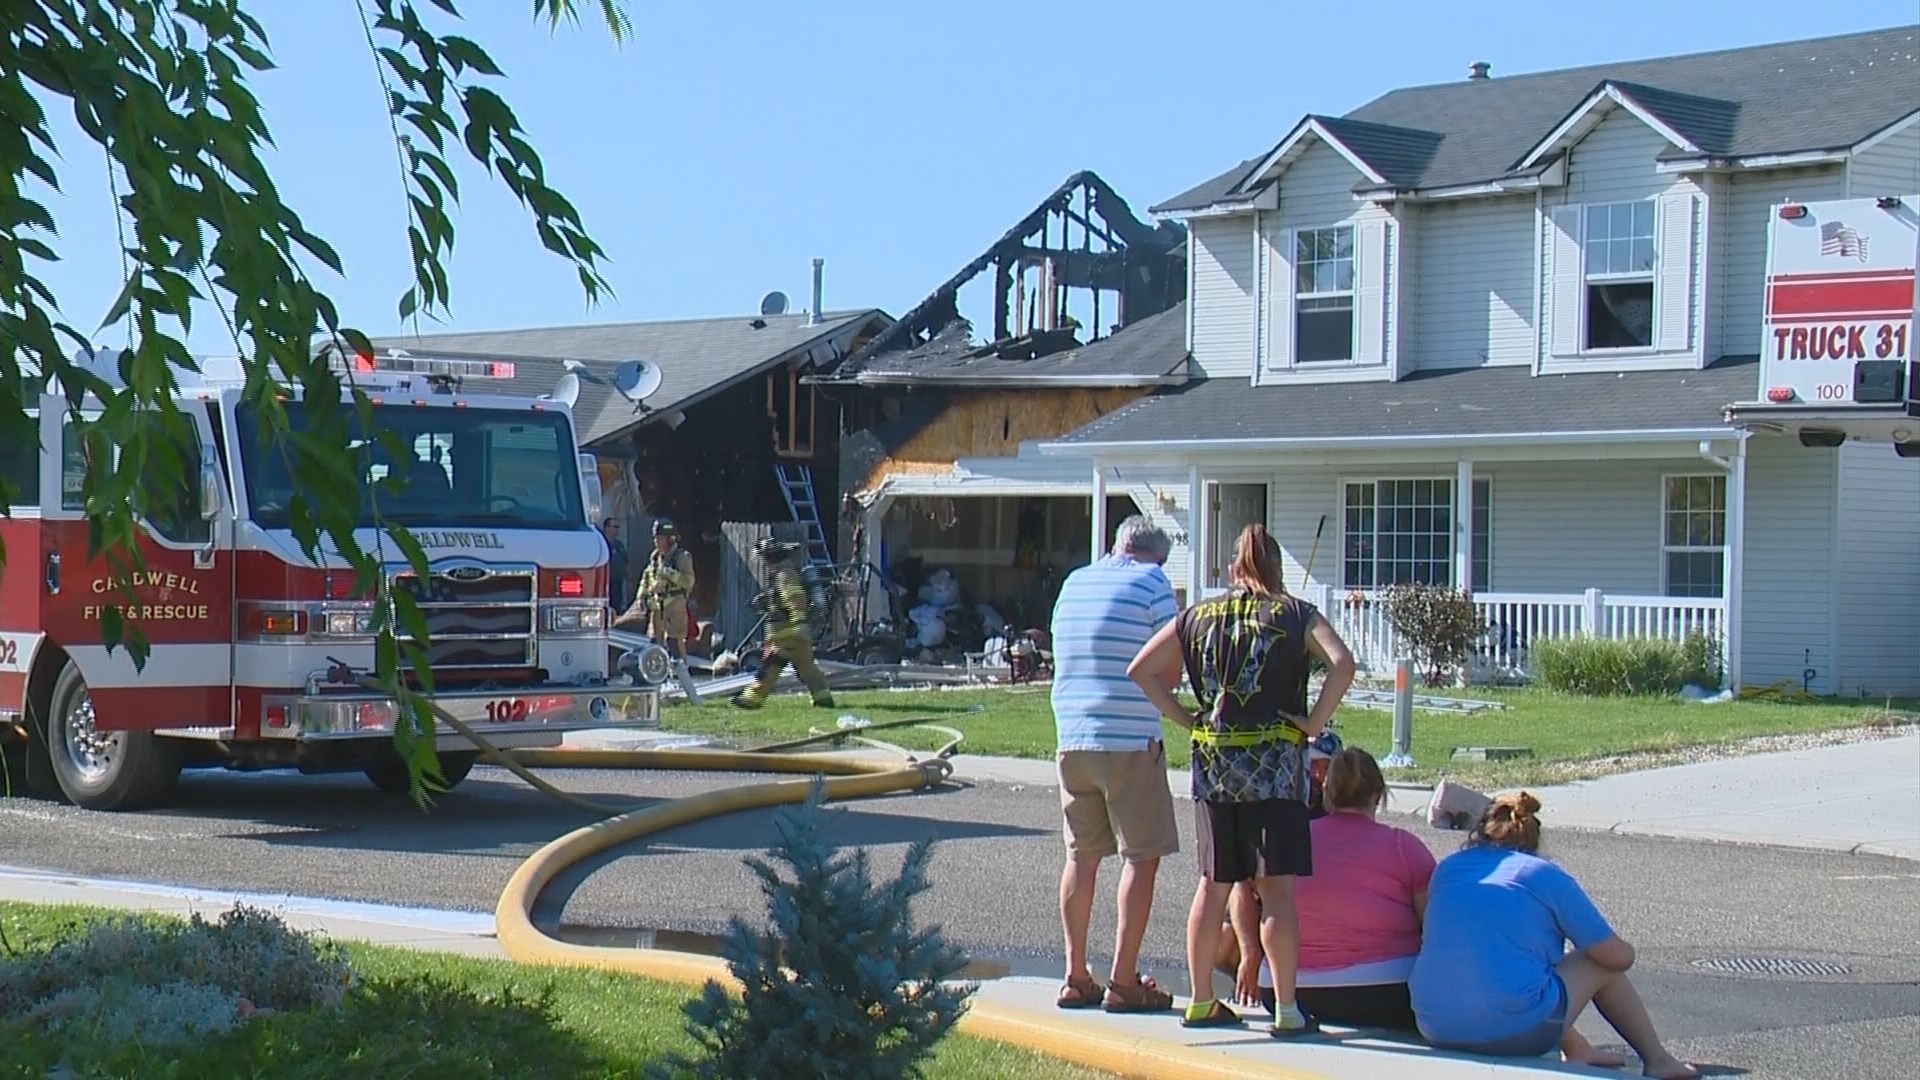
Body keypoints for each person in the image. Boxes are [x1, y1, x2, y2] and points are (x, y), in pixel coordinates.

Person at [1127, 523, 1357, 1037]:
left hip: (1215, 768)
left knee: (1212, 885)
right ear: (1275, 568)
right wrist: (1315, 724)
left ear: (1233, 568)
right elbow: (1342, 663)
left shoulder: (1198, 616)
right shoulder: (1295, 613)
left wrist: (1185, 717)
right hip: (1275, 769)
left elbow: (1140, 669)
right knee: (1277, 894)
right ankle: (1287, 1009)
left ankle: (1202, 1000)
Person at [1410, 792, 1699, 1079]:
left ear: (1479, 832)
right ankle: (1658, 1059)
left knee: (1514, 974)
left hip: (1435, 1026)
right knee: (1594, 965)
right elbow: (1616, 957)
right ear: (1533, 836)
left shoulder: (1448, 868)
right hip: (1513, 1033)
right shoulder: (1543, 874)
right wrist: (1629, 949)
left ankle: (1578, 1049)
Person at [1048, 516, 1180, 1014]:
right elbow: (1170, 666)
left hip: (1072, 735)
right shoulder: (1153, 584)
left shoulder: (1075, 581)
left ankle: (1075, 974)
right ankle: (1124, 980)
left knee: (1081, 856)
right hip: (1128, 737)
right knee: (1140, 856)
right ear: (1156, 556)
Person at [1216, 747, 1433, 1032]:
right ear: (1377, 796)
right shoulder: (1404, 846)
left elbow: (1245, 889)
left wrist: (1250, 954)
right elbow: (1432, 926)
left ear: (1327, 793)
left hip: (1287, 992)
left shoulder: (1291, 843)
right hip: (1383, 991)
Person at [732, 536, 834, 709]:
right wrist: (768, 602)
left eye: (764, 558)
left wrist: (798, 623)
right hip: (794, 633)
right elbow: (785, 599)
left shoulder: (784, 575)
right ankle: (823, 699)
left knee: (770, 666)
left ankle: (752, 699)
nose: (763, 563)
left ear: (771, 557)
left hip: (786, 633)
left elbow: (796, 598)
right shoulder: (784, 573)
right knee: (807, 669)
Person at [616, 519, 702, 704]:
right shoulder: (655, 557)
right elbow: (646, 577)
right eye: (655, 537)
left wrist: (669, 573)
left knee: (674, 643)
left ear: (670, 538)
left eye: (660, 537)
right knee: (655, 644)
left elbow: (688, 581)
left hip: (675, 606)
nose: (656, 541)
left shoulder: (681, 557)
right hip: (656, 607)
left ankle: (681, 681)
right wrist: (642, 597)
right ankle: (657, 678)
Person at [601, 518, 631, 614]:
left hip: (618, 580)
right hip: (606, 581)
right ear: (607, 528)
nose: (616, 530)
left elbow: (625, 561)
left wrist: (629, 576)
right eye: (614, 526)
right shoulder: (602, 544)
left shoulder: (619, 544)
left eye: (617, 527)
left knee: (617, 602)